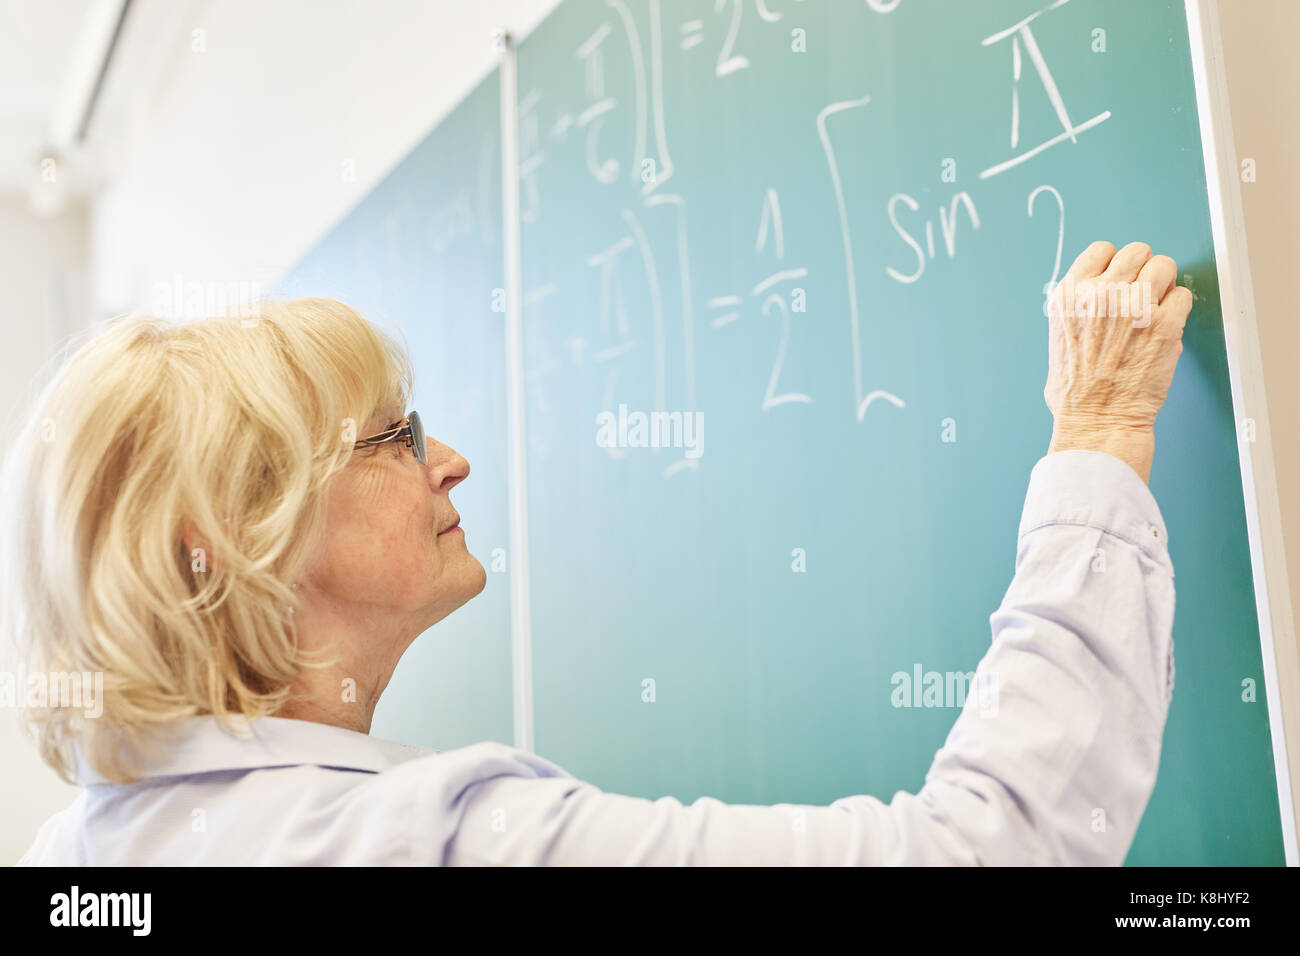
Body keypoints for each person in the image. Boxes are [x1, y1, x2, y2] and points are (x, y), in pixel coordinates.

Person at [8, 240, 1190, 865]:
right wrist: (1094, 439)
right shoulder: (432, 842)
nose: (451, 459)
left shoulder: (77, 853)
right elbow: (988, 854)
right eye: (393, 437)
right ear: (225, 545)